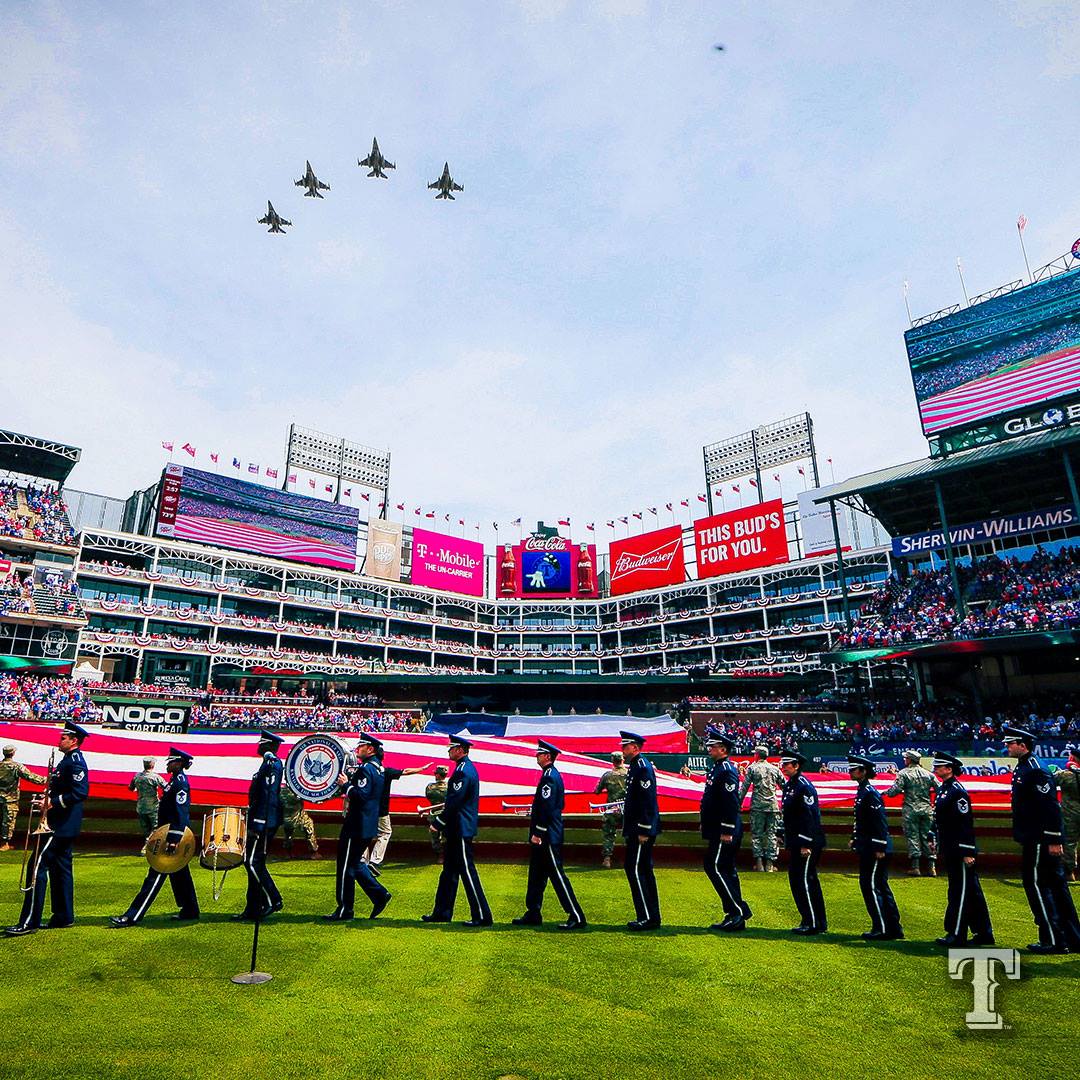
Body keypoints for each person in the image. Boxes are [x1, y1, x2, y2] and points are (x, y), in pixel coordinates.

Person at [5, 721, 90, 937]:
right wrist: (46, 799)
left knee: (36, 868)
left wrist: (53, 802)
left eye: (63, 737)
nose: (59, 740)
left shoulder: (75, 762)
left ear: (74, 741)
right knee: (61, 869)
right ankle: (63, 916)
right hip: (63, 824)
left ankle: (29, 921)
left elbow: (80, 792)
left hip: (60, 824)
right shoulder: (67, 760)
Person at [1003, 725, 1080, 953]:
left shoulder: (1034, 770)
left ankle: (1052, 939)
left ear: (1022, 745)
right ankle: (1072, 937)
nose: (1007, 747)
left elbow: (1050, 806)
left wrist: (1054, 839)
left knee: (1036, 884)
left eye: (1010, 744)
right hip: (1037, 836)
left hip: (1038, 838)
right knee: (1057, 886)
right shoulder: (1026, 767)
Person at [110, 748, 200, 927]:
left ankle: (132, 916)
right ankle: (190, 909)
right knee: (180, 874)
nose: (168, 764)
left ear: (179, 763)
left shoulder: (180, 783)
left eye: (171, 761)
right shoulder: (174, 781)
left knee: (156, 875)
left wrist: (174, 839)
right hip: (169, 831)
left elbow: (180, 812)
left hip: (173, 835)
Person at [513, 740, 586, 930]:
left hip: (547, 835)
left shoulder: (549, 777)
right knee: (536, 875)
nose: (536, 756)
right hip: (546, 834)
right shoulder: (549, 775)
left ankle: (576, 915)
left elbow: (547, 807)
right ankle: (533, 912)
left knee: (557, 875)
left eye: (539, 754)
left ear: (547, 756)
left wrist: (538, 832)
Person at [424, 735, 492, 927]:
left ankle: (481, 915)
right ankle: (442, 912)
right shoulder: (464, 769)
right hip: (457, 828)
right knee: (449, 873)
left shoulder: (463, 772)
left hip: (460, 828)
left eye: (452, 748)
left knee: (467, 872)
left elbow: (455, 802)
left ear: (460, 750)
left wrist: (438, 822)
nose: (449, 751)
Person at [324, 734, 391, 921]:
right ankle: (379, 894)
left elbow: (361, 796)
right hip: (367, 824)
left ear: (370, 749)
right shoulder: (379, 768)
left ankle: (346, 909)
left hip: (356, 825)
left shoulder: (366, 769)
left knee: (346, 867)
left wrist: (346, 785)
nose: (358, 749)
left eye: (361, 746)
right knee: (354, 864)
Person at [931, 752, 994, 947]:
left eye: (939, 766)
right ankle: (983, 933)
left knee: (960, 892)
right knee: (972, 892)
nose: (936, 769)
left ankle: (957, 933)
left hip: (959, 849)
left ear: (949, 769)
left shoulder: (957, 791)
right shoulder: (945, 789)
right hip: (951, 847)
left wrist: (967, 851)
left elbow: (964, 823)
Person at [700, 727, 751, 931]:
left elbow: (731, 802)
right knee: (726, 869)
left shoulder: (727, 770)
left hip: (725, 830)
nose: (709, 749)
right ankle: (733, 914)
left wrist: (727, 829)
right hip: (719, 828)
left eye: (712, 746)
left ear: (722, 749)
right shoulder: (719, 768)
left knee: (714, 866)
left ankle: (738, 911)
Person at [848, 754, 903, 941]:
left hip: (874, 848)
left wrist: (879, 846)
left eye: (854, 769)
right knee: (880, 885)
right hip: (870, 845)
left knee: (871, 886)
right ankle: (893, 926)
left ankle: (881, 927)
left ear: (863, 772)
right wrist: (855, 838)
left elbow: (879, 822)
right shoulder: (865, 791)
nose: (850, 772)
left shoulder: (869, 793)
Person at [235, 729, 284, 922]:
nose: (258, 746)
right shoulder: (266, 764)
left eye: (261, 743)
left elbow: (269, 795)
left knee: (253, 863)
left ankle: (273, 899)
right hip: (260, 818)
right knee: (254, 863)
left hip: (264, 821)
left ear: (267, 745)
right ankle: (253, 907)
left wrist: (260, 822)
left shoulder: (271, 764)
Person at [779, 747, 827, 935]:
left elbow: (810, 816)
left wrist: (807, 843)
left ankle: (814, 922)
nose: (783, 767)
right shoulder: (791, 785)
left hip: (807, 842)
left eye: (787, 764)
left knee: (806, 881)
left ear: (796, 765)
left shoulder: (804, 786)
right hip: (796, 840)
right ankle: (809, 919)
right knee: (797, 880)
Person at [363, 749, 431, 873]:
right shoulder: (386, 772)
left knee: (364, 834)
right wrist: (421, 769)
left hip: (366, 810)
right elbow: (405, 771)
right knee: (385, 833)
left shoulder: (365, 770)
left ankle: (363, 861)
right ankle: (375, 860)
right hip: (381, 810)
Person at [621, 731, 662, 931]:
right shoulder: (636, 767)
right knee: (642, 870)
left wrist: (644, 828)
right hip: (637, 827)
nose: (622, 750)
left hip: (641, 829)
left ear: (635, 747)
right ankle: (650, 916)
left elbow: (647, 801)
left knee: (636, 869)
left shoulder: (642, 768)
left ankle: (646, 916)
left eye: (625, 746)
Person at [883, 750, 937, 877]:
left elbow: (895, 790)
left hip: (911, 809)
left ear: (909, 760)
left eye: (906, 758)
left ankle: (915, 867)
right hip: (926, 809)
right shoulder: (928, 774)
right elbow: (939, 787)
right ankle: (931, 867)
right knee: (927, 836)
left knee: (913, 837)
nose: (904, 760)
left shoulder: (904, 773)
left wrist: (885, 792)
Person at [739, 746, 783, 871]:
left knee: (757, 835)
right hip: (773, 806)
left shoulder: (752, 768)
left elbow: (744, 787)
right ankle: (770, 863)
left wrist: (739, 802)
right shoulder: (775, 769)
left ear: (757, 755)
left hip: (758, 806)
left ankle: (759, 863)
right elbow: (785, 786)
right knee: (771, 834)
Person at [0, 744, 46, 851]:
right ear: (13, 753)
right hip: (10, 799)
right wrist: (45, 780)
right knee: (8, 821)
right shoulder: (16, 767)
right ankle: (4, 843)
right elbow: (31, 777)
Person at [594, 751, 627, 868]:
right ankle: (630, 858)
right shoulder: (630, 774)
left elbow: (597, 791)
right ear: (623, 760)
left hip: (612, 809)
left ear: (612, 761)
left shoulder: (607, 775)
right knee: (630, 834)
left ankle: (607, 859)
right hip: (626, 809)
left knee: (608, 834)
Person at [1054, 747, 1080, 881]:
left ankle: (1069, 872)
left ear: (1072, 758)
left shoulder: (1066, 775)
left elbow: (1050, 781)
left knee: (1069, 843)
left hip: (1071, 814)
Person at [129, 758, 165, 851]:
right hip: (153, 806)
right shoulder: (155, 777)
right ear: (152, 765)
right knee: (155, 828)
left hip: (141, 806)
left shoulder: (137, 776)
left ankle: (149, 844)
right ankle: (147, 846)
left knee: (146, 829)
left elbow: (131, 788)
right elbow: (166, 787)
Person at [280, 784, 319, 859]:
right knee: (309, 826)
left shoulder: (281, 791)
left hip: (286, 818)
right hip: (298, 816)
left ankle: (288, 852)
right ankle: (314, 851)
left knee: (288, 833)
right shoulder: (297, 791)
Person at [425, 765, 449, 863]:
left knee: (435, 836)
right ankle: (447, 854)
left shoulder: (430, 787)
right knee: (447, 835)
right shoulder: (450, 786)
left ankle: (440, 854)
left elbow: (429, 796)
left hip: (434, 814)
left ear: (438, 775)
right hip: (447, 814)